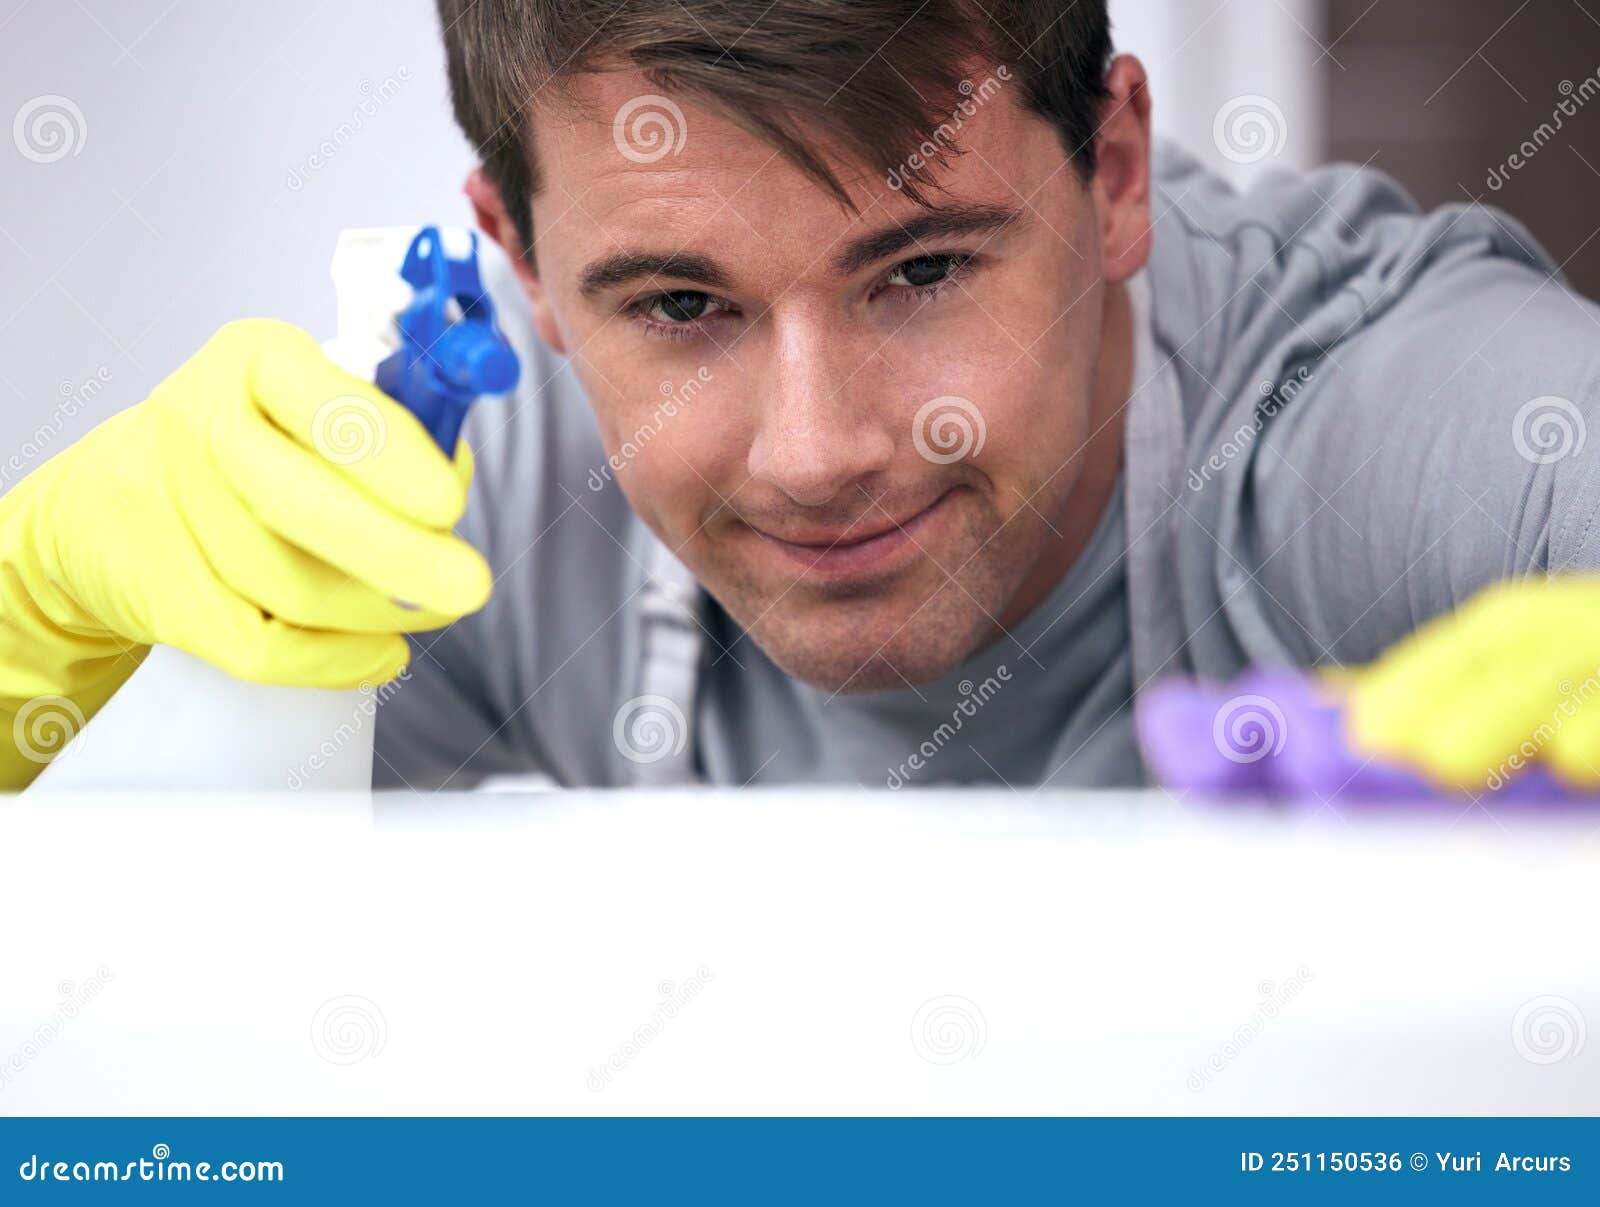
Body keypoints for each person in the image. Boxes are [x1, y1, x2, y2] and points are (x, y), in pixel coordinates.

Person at [2, 0, 1596, 793]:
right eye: (682, 307)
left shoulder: (1381, 417)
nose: (818, 451)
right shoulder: (452, 501)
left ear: (1113, 172)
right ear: (528, 268)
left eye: (922, 274)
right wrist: (39, 634)